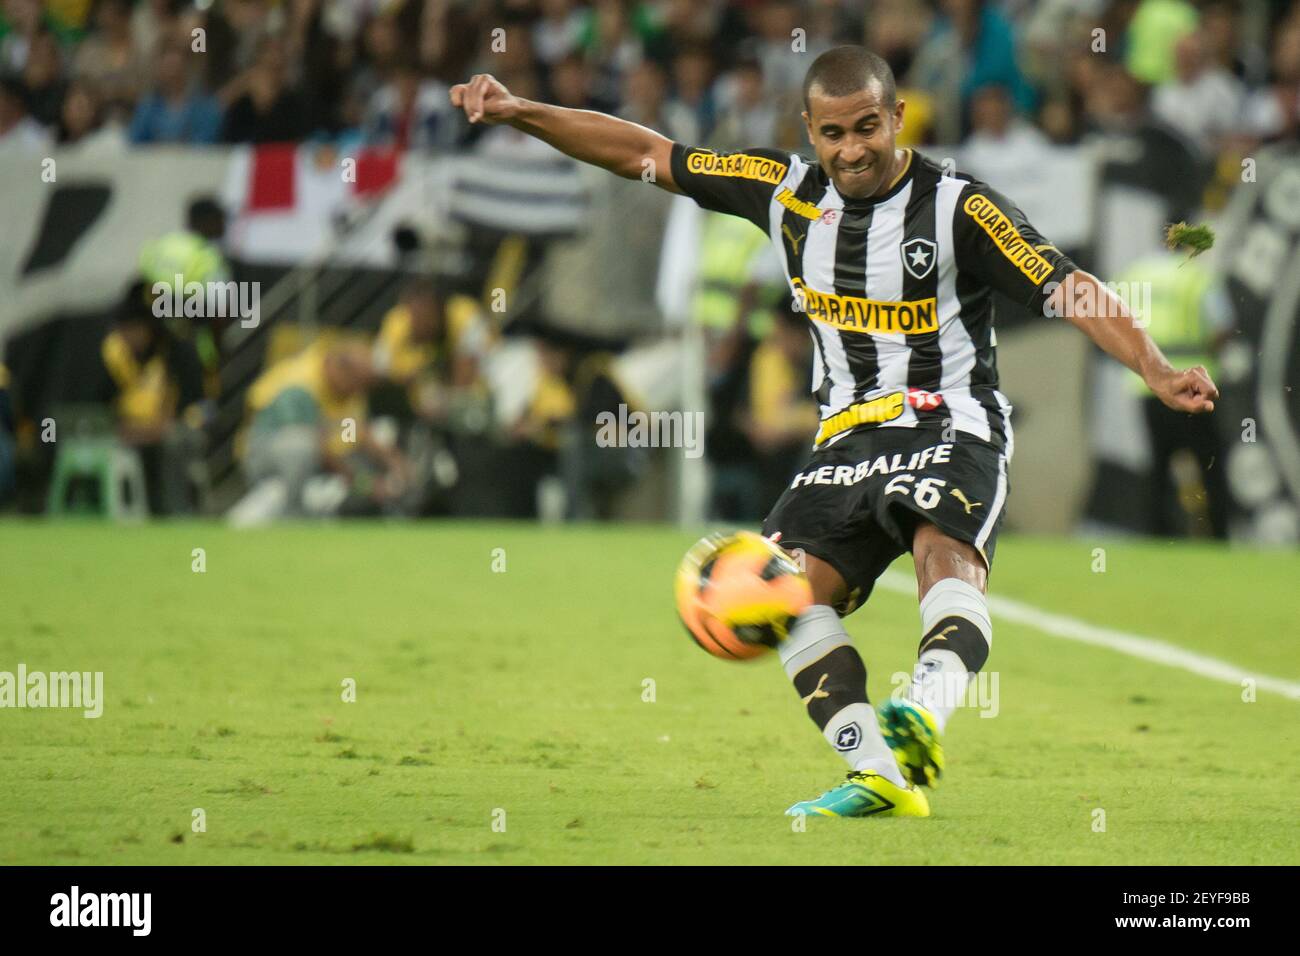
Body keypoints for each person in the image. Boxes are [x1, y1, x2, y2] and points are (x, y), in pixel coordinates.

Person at [449, 45, 1219, 818]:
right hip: (846, 438)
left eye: (867, 128)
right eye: (833, 133)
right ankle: (877, 769)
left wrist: (1151, 365)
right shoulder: (780, 189)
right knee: (778, 591)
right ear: (808, 131)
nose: (852, 149)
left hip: (950, 417)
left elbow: (1067, 286)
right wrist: (524, 112)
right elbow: (648, 153)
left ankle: (926, 708)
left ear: (897, 118)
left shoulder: (959, 208)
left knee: (939, 552)